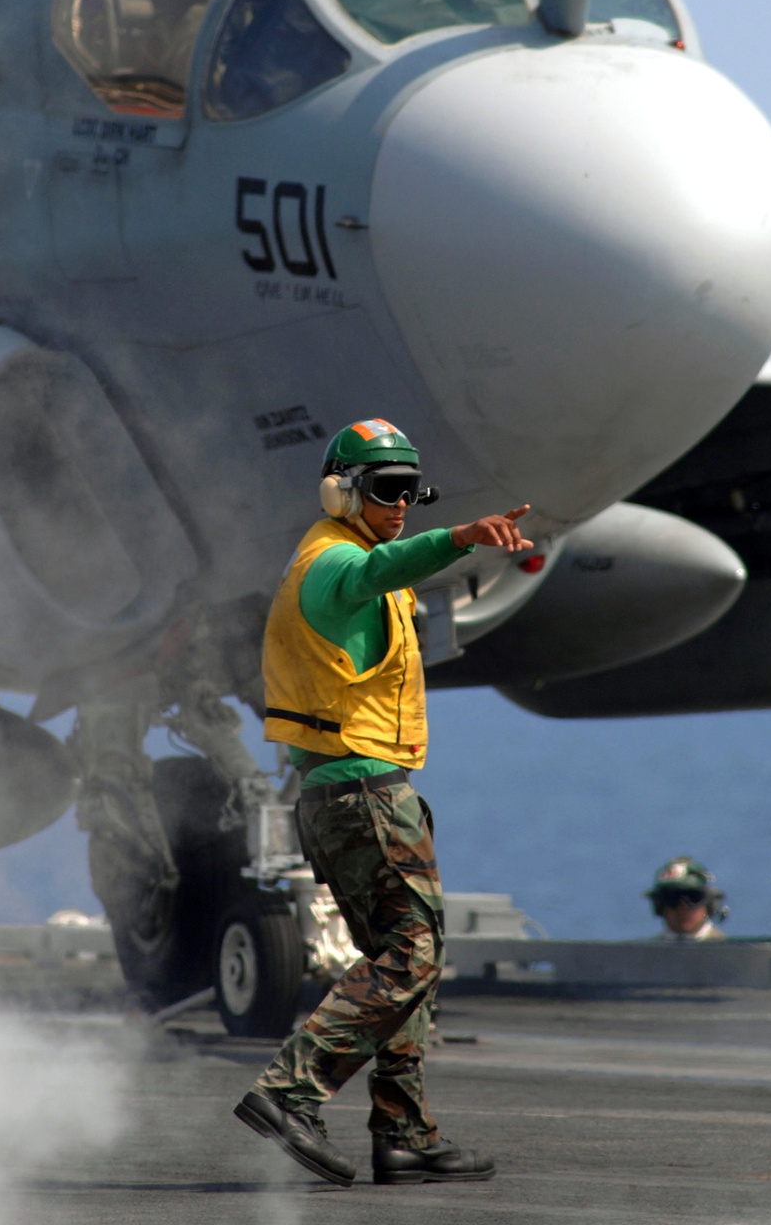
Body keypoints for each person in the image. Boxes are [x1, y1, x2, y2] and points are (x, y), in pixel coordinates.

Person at [234, 418, 532, 1187]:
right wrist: (458, 536)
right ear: (343, 491)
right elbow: (382, 570)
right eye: (386, 489)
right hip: (363, 795)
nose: (402, 503)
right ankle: (288, 1093)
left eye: (411, 490)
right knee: (414, 954)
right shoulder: (334, 565)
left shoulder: (346, 558)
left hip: (350, 795)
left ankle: (402, 1132)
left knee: (403, 962)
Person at [646, 856, 728, 941]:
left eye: (693, 897)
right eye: (672, 898)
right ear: (659, 906)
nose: (683, 907)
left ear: (709, 904)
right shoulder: (645, 952)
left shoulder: (728, 951)